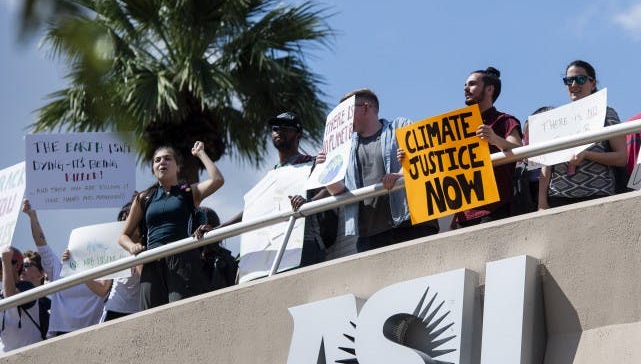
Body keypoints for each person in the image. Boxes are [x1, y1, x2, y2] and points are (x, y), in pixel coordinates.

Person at [211, 112, 335, 267]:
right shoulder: (272, 175)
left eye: (285, 127)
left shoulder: (312, 164)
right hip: (275, 249)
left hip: (305, 244)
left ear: (298, 134)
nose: (278, 131)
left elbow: (329, 189)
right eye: (275, 128)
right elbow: (252, 211)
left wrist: (308, 203)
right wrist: (218, 229)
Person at [326, 88, 437, 252]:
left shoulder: (400, 126)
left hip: (410, 224)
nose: (343, 119)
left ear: (365, 108)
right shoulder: (344, 149)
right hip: (370, 235)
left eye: (346, 111)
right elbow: (338, 191)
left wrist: (399, 175)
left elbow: (424, 157)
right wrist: (326, 171)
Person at [119, 141, 224, 310]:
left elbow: (217, 180)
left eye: (167, 159)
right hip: (152, 261)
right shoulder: (144, 198)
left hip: (183, 260)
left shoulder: (189, 193)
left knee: (180, 313)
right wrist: (132, 246)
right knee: (150, 317)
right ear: (153, 168)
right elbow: (123, 236)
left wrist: (200, 153)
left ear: (177, 166)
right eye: (157, 160)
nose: (162, 162)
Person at [538, 60, 625, 209]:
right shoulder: (556, 119)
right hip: (558, 197)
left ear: (593, 83)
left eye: (580, 79)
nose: (573, 85)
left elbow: (622, 157)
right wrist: (541, 202)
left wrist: (587, 155)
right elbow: (546, 163)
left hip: (596, 195)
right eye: (569, 80)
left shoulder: (606, 113)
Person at [21, 199, 108, 336]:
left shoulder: (102, 271)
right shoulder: (58, 270)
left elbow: (104, 289)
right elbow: (41, 244)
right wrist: (33, 216)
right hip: (61, 336)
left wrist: (81, 269)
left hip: (93, 333)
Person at [451, 67, 523, 227]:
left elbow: (518, 150)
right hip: (463, 214)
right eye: (465, 84)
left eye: (472, 84)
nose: (466, 88)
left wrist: (494, 139)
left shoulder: (505, 121)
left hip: (494, 209)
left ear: (489, 89)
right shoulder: (458, 128)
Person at [102, 198, 142, 322]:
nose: (125, 222)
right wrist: (79, 269)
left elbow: (145, 276)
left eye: (129, 218)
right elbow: (102, 289)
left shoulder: (147, 244)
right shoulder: (112, 250)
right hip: (114, 309)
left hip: (137, 310)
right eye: (122, 219)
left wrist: (136, 252)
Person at [0, 246, 46, 352]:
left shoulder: (27, 287)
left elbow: (10, 297)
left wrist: (6, 260)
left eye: (2, 263)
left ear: (16, 266)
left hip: (34, 354)